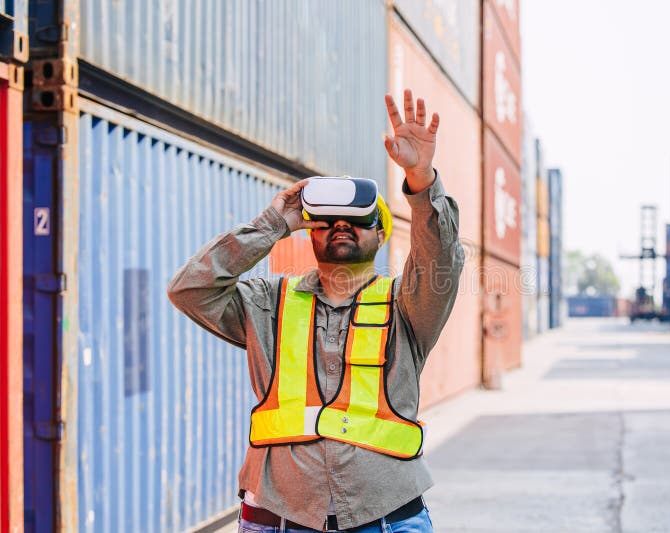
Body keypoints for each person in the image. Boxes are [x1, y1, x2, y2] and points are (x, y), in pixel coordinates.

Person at [167, 89, 464, 532]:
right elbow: (190, 289)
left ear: (381, 234)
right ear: (308, 232)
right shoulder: (267, 303)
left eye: (358, 219)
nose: (340, 225)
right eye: (326, 219)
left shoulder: (408, 307)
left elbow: (440, 257)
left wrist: (422, 182)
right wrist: (274, 224)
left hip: (386, 519)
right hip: (278, 518)